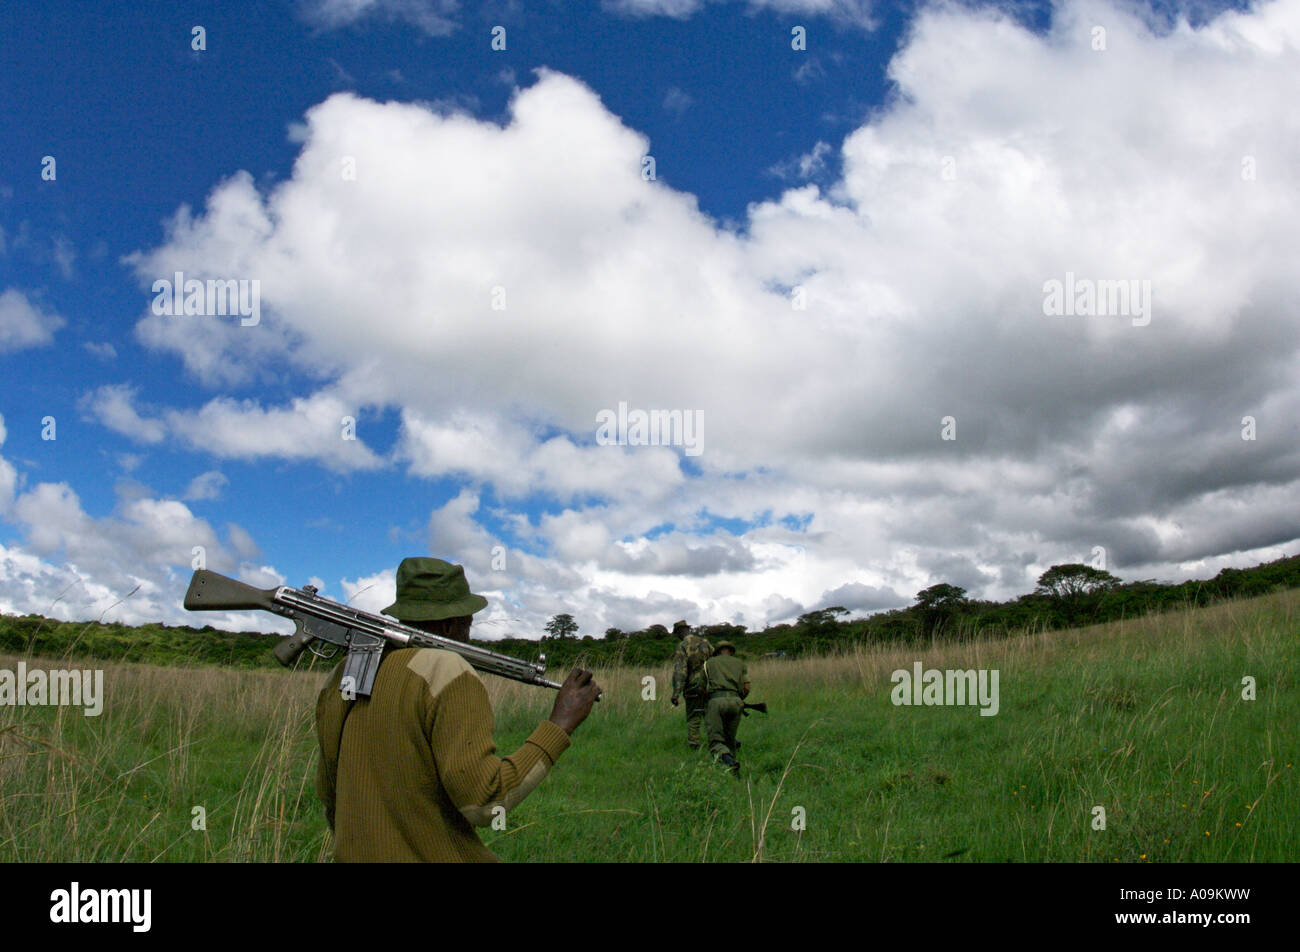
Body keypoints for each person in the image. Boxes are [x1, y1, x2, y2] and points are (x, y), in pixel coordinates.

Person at [315, 556, 601, 862]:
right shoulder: (447, 670)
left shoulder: (344, 674)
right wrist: (560, 725)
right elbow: (487, 801)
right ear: (452, 623)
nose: (469, 632)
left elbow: (329, 792)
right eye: (469, 621)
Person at [702, 640, 749, 776]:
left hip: (716, 701)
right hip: (736, 702)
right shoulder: (740, 663)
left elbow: (701, 685)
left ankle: (729, 763)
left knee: (716, 740)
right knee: (730, 739)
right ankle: (734, 773)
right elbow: (746, 687)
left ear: (716, 652)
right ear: (731, 651)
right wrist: (738, 699)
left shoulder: (709, 663)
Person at [669, 620, 713, 749]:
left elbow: (680, 671)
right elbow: (716, 662)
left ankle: (695, 745)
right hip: (710, 684)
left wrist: (676, 693)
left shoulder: (683, 646)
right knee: (710, 716)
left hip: (693, 686)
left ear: (679, 632)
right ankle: (716, 741)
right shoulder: (705, 642)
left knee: (694, 717)